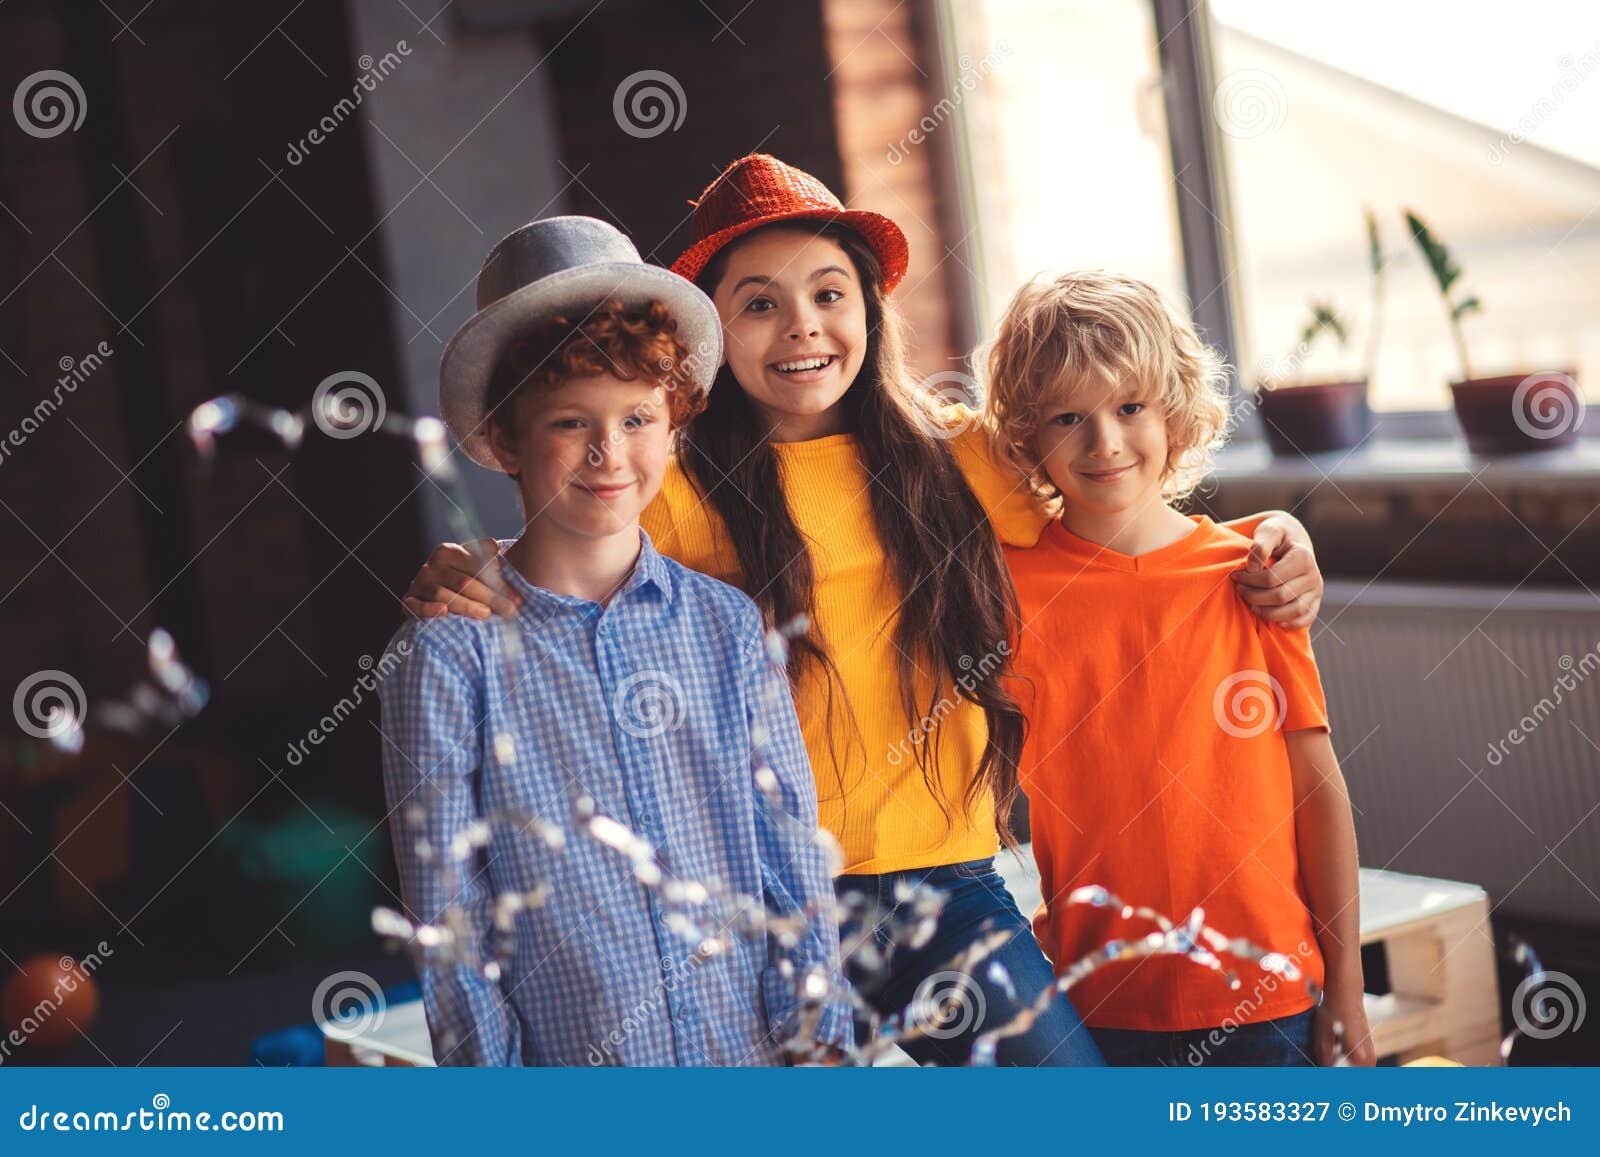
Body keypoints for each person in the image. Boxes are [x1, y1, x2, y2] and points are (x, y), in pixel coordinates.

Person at [401, 155, 1327, 1067]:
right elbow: (576, 532)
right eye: (759, 303)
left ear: (871, 310)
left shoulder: (963, 458)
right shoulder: (676, 485)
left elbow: (1122, 514)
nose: (802, 325)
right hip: (764, 893)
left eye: (829, 293)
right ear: (712, 335)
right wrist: (475, 562)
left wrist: (1269, 534)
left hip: (943, 891)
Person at [379, 215, 850, 1066]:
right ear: (505, 438)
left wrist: (820, 1049)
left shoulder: (729, 628)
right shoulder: (447, 654)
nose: (608, 453)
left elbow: (791, 860)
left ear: (674, 426)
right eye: (570, 423)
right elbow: (450, 917)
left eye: (637, 417)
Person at [985, 271, 1374, 1066]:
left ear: (1174, 410)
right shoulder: (1000, 590)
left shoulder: (1255, 572)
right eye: (1068, 416)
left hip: (1270, 993)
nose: (1104, 442)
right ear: (1026, 435)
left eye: (1130, 406)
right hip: (1097, 997)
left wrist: (1347, 984)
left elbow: (1317, 789)